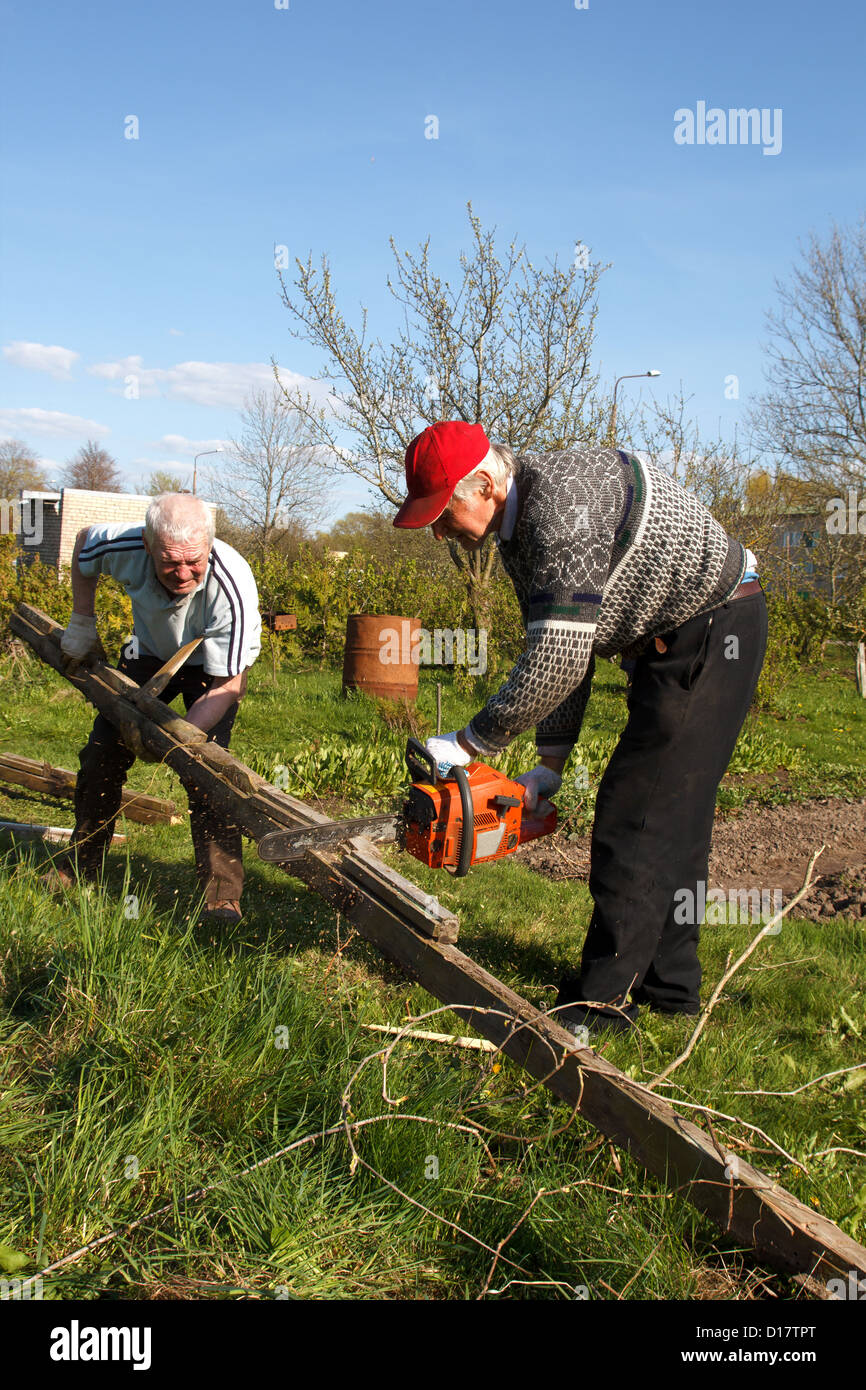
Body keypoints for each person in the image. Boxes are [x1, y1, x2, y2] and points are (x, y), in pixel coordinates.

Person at [393, 421, 767, 1037]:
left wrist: (469, 743)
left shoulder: (558, 509)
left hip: (715, 628)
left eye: (441, 513)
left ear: (485, 484)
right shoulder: (516, 532)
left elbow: (560, 658)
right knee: (674, 816)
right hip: (676, 637)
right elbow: (567, 645)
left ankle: (598, 1006)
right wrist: (550, 766)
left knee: (635, 814)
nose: (438, 531)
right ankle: (670, 991)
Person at [45, 493, 261, 927]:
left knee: (209, 775)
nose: (183, 573)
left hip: (212, 671)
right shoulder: (123, 546)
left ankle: (222, 899)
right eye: (170, 562)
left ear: (209, 545)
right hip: (148, 654)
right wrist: (81, 621)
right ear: (147, 544)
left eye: (193, 562)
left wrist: (172, 742)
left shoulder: (231, 586)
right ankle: (81, 866)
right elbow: (84, 543)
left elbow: (229, 684)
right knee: (101, 756)